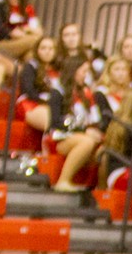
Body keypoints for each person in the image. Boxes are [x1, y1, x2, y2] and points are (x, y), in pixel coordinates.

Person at [45, 54, 110, 193]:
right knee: (86, 142)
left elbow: (95, 119)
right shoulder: (58, 91)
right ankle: (63, 181)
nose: (86, 76)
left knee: (106, 150)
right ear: (73, 71)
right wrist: (84, 130)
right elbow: (55, 122)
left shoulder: (87, 92)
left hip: (82, 134)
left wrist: (95, 130)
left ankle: (101, 190)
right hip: (60, 137)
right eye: (83, 71)